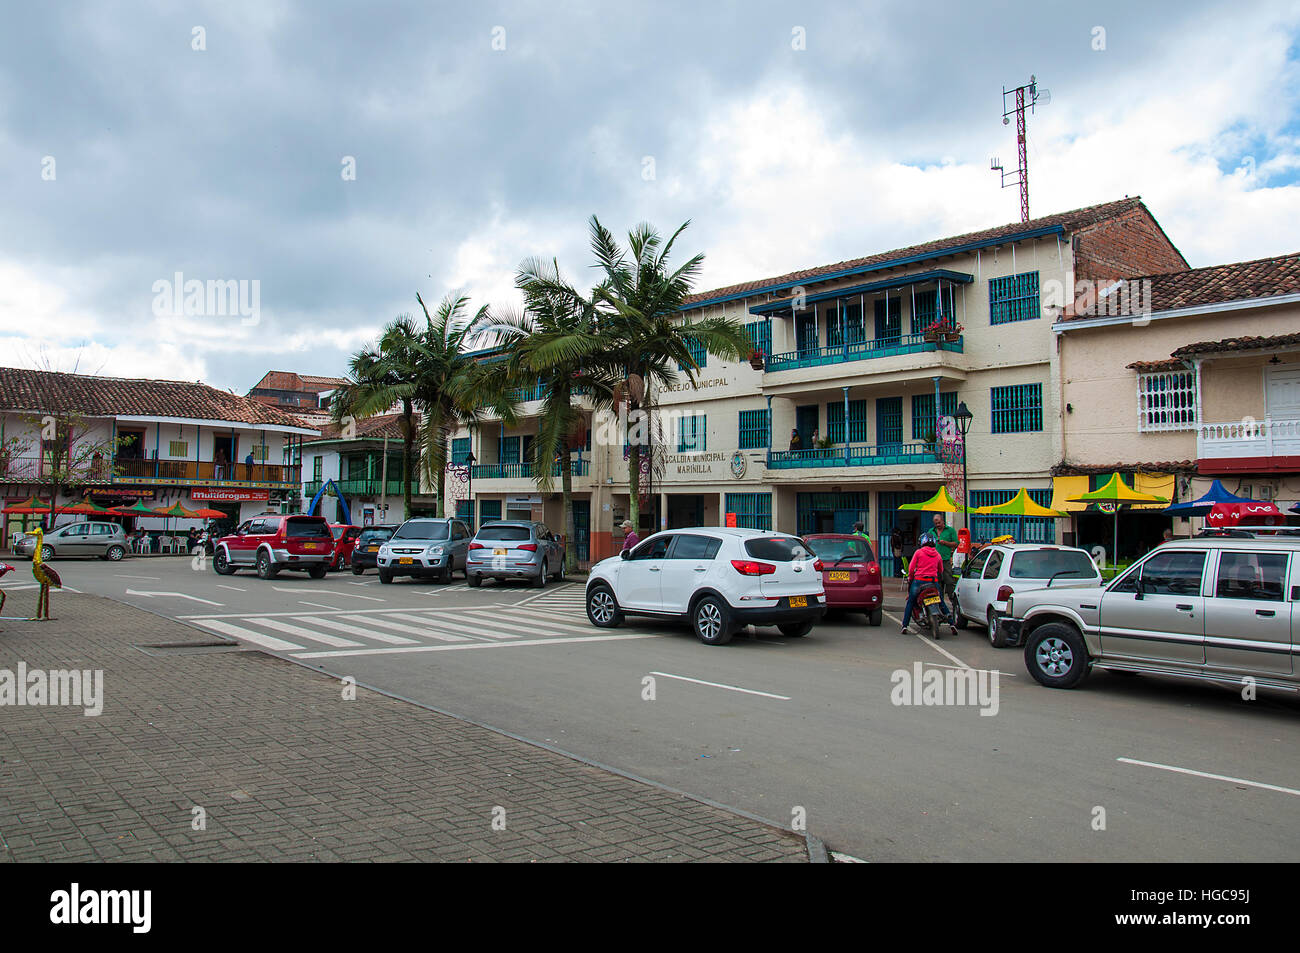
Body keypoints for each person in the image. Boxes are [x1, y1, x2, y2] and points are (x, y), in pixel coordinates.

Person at [901, 534, 952, 634]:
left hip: (919, 581)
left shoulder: (918, 552)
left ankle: (905, 625)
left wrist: (910, 577)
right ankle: (952, 623)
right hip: (933, 582)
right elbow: (941, 570)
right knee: (941, 601)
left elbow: (911, 569)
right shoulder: (937, 554)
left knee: (911, 602)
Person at [932, 513, 959, 606]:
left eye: (939, 522)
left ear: (943, 521)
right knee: (937, 583)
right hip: (934, 561)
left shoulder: (950, 531)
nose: (937, 525)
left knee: (949, 581)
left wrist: (945, 543)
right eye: (935, 523)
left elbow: (956, 543)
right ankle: (940, 604)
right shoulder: (931, 531)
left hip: (945, 560)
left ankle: (953, 602)